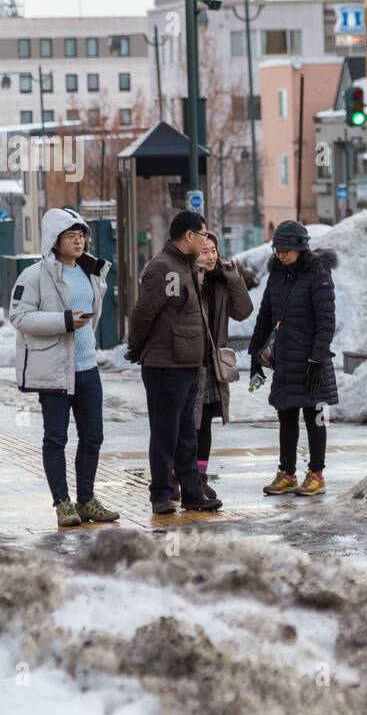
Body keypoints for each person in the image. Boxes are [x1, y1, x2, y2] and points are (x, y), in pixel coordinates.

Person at [9, 207, 120, 529]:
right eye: (71, 235)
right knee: (56, 438)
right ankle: (62, 503)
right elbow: (19, 317)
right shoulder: (34, 276)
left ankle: (87, 499)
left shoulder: (91, 272)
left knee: (93, 437)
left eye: (81, 234)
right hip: (55, 370)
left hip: (88, 369)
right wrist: (63, 322)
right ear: (53, 241)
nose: (79, 240)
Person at [126, 210, 223, 514]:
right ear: (190, 236)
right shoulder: (165, 269)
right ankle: (161, 495)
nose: (207, 239)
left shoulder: (184, 267)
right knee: (165, 433)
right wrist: (136, 348)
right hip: (165, 365)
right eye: (204, 234)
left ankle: (193, 494)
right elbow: (144, 313)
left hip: (187, 364)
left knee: (186, 436)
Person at [248, 220, 339, 496]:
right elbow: (265, 315)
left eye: (286, 250)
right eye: (277, 249)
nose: (280, 254)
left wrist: (316, 359)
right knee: (286, 417)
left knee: (315, 418)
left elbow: (326, 322)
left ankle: (317, 474)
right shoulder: (276, 274)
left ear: (301, 248)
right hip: (285, 360)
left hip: (312, 362)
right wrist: (255, 354)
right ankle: (286, 473)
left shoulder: (319, 275)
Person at [193, 231, 254, 499]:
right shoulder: (185, 278)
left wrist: (233, 278)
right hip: (187, 362)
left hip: (210, 364)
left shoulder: (220, 281)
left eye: (213, 251)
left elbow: (243, 311)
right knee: (184, 424)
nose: (209, 256)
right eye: (204, 251)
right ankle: (175, 476)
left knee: (204, 422)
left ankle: (200, 477)